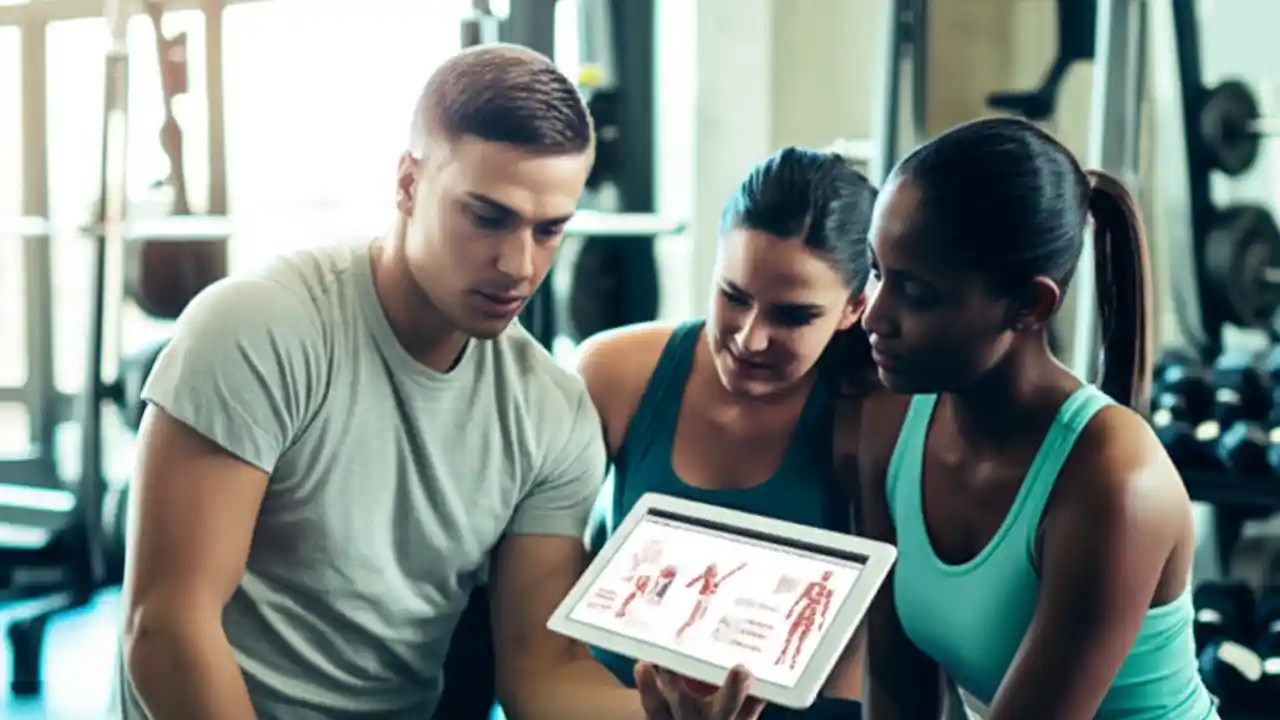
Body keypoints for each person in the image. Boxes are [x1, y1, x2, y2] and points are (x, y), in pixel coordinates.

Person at [116, 43, 734, 720]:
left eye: (549, 229)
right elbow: (168, 628)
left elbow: (540, 675)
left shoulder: (551, 412)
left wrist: (666, 715)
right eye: (487, 217)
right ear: (409, 183)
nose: (518, 265)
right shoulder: (258, 329)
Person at [852, 117, 1220, 719]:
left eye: (916, 294)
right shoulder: (891, 421)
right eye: (875, 270)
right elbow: (896, 689)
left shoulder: (1115, 481)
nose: (873, 314)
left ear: (1028, 305)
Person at [577, 147, 880, 718]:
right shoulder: (616, 373)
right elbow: (549, 598)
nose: (749, 338)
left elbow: (862, 666)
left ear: (853, 308)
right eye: (733, 297)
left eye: (793, 315)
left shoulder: (871, 415)